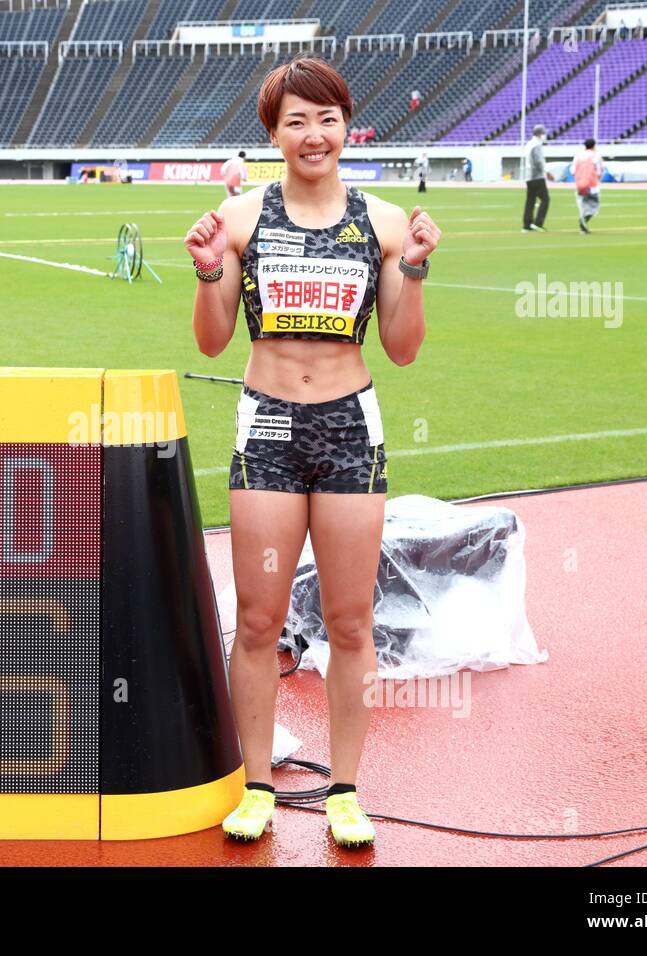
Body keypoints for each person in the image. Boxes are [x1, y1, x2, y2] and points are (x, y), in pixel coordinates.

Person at [184, 55, 437, 848]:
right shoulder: (241, 217)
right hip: (266, 429)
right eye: (296, 120)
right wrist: (205, 273)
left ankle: (346, 790)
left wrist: (419, 273)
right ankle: (256, 785)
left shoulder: (386, 223)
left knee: (350, 620)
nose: (314, 133)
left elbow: (401, 349)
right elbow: (214, 336)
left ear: (345, 125)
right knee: (258, 619)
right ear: (272, 134)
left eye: (326, 117)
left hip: (349, 428)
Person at [522, 124, 554, 231]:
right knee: (545, 199)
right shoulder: (537, 145)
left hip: (529, 176)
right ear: (539, 134)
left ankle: (527, 224)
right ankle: (538, 223)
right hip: (537, 176)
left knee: (530, 201)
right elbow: (539, 161)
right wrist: (547, 172)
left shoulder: (529, 144)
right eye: (543, 133)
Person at [572, 137, 605, 234]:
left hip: (580, 184)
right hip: (592, 184)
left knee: (583, 205)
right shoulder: (596, 156)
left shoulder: (578, 155)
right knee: (594, 206)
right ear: (594, 146)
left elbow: (573, 171)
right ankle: (584, 220)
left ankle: (583, 223)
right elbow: (599, 171)